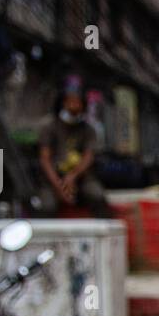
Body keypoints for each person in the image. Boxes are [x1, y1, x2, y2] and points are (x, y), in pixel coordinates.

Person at [36, 76, 112, 218]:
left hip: (80, 177)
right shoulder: (49, 126)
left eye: (77, 103)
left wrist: (72, 177)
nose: (73, 106)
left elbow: (89, 156)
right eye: (69, 102)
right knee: (46, 206)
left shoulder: (88, 129)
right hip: (53, 178)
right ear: (62, 103)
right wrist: (59, 184)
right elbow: (45, 159)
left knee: (97, 195)